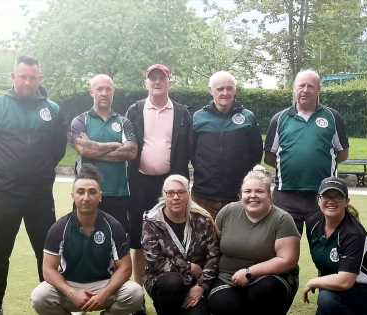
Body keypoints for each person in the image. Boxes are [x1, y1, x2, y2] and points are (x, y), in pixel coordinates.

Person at [0, 55, 68, 315]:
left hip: (39, 195)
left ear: (40, 79)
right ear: (13, 77)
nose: (27, 81)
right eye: (22, 76)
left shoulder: (53, 110)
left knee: (46, 250)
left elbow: (58, 147)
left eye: (32, 77)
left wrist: (41, 169)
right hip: (5, 194)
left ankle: (48, 300)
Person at [30, 165, 144, 315]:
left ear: (100, 196)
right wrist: (72, 293)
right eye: (80, 192)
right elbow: (48, 270)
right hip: (69, 285)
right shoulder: (59, 228)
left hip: (104, 285)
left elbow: (125, 268)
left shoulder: (114, 226)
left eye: (92, 192)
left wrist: (104, 293)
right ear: (73, 195)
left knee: (135, 293)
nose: (86, 198)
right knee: (40, 297)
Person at [125, 64, 192, 285]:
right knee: (138, 239)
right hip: (140, 183)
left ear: (168, 81)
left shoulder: (182, 112)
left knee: (174, 235)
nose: (157, 82)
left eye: (161, 78)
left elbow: (188, 148)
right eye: (152, 78)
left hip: (170, 186)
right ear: (146, 82)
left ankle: (174, 287)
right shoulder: (134, 110)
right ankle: (137, 295)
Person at [264, 69, 349, 234]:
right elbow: (269, 156)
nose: (305, 90)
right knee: (283, 250)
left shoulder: (332, 116)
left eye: (310, 86)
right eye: (301, 85)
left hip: (323, 194)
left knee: (325, 248)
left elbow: (343, 153)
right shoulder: (279, 118)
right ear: (294, 89)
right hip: (286, 195)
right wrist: (292, 166)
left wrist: (318, 163)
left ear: (318, 90)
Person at [208, 167, 301, 315]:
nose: (253, 195)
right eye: (247, 191)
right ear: (241, 194)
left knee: (263, 291)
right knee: (223, 304)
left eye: (259, 191)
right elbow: (213, 248)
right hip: (228, 278)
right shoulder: (227, 212)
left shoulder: (282, 219)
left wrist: (249, 272)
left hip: (269, 279)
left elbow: (287, 260)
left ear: (270, 195)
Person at [302, 177, 367, 315]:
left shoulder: (353, 234)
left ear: (346, 201)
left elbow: (344, 282)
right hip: (342, 284)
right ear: (319, 199)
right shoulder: (312, 222)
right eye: (326, 195)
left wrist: (313, 282)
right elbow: (324, 265)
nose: (331, 200)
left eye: (338, 196)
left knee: (327, 300)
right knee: (326, 300)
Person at [142, 174, 219, 315]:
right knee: (172, 283)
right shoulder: (152, 222)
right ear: (164, 195)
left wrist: (201, 286)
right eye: (170, 193)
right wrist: (188, 267)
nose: (176, 197)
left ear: (188, 194)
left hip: (195, 282)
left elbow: (213, 256)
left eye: (181, 192)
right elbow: (154, 259)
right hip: (163, 281)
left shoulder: (203, 220)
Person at [70, 74, 138, 231]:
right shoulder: (81, 121)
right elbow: (84, 149)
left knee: (117, 246)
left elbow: (131, 151)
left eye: (108, 89)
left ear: (113, 92)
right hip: (87, 194)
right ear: (91, 92)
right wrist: (115, 145)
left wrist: (94, 148)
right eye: (99, 89)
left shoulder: (123, 122)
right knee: (83, 245)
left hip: (118, 194)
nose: (104, 93)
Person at [191, 71, 263, 218]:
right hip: (203, 196)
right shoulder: (198, 117)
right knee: (203, 240)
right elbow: (191, 152)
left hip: (237, 196)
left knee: (236, 240)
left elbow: (256, 153)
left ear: (235, 90)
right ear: (211, 91)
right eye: (220, 89)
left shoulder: (248, 117)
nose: (225, 92)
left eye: (229, 88)